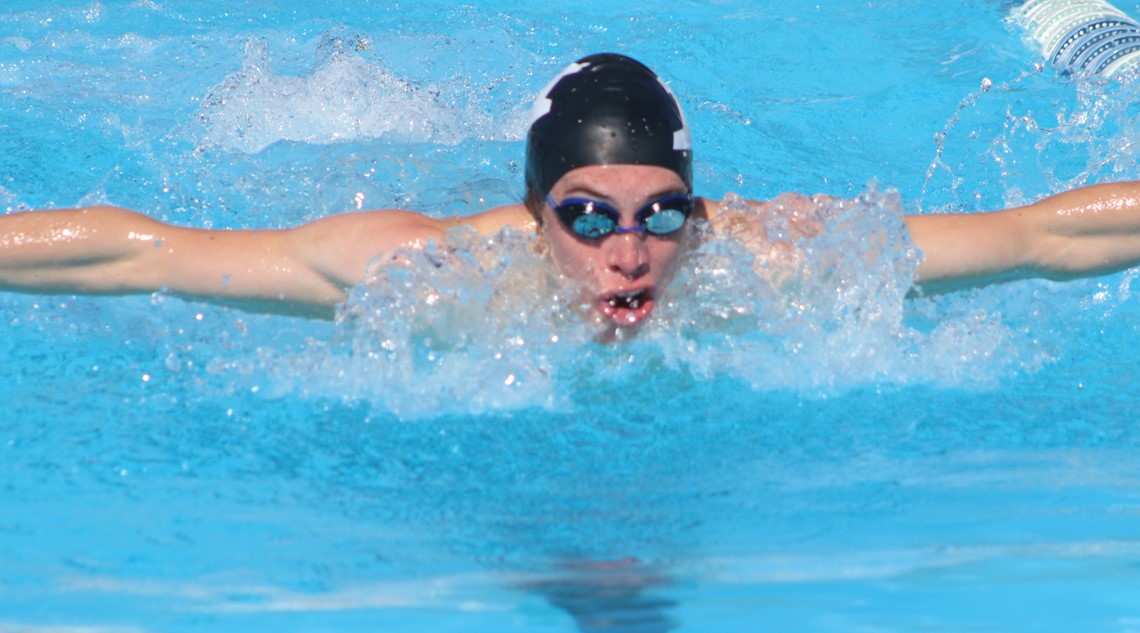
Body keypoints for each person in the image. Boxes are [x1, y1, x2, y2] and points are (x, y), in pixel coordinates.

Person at [3, 53, 1140, 327]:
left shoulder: (780, 257)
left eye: (663, 213)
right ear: (539, 212)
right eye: (587, 217)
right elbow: (143, 251)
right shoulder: (435, 267)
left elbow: (1041, 236)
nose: (629, 253)